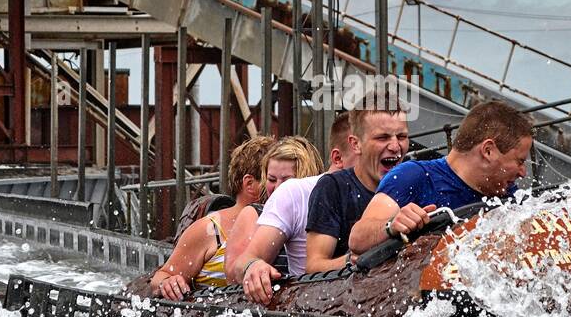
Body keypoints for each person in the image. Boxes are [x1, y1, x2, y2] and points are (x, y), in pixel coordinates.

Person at [348, 101, 533, 255]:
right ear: (488, 150)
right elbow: (357, 238)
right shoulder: (414, 176)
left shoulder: (509, 195)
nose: (523, 172)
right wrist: (391, 226)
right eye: (520, 161)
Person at [227, 118, 356, 304]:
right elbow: (237, 270)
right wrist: (253, 266)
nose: (277, 187)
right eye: (271, 179)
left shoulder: (390, 189)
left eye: (285, 179)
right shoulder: (289, 195)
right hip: (311, 304)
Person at [144, 135, 276, 300]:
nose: (284, 188)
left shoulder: (283, 224)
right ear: (249, 184)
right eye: (273, 179)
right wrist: (168, 282)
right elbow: (160, 276)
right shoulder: (209, 230)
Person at [304, 107, 410, 273]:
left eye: (402, 136)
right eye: (383, 137)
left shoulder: (415, 181)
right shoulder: (333, 188)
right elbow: (314, 266)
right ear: (356, 144)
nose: (396, 147)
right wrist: (354, 260)